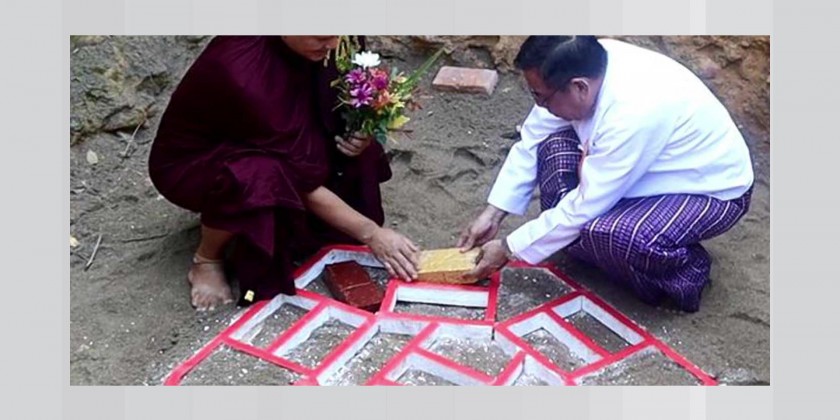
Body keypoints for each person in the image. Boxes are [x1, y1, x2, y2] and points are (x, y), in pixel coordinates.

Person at [459, 36, 754, 312]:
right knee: (551, 150)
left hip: (709, 192)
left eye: (542, 97)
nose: (539, 106)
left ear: (579, 88)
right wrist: (494, 213)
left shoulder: (635, 110)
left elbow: (587, 206)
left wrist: (509, 247)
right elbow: (533, 138)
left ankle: (685, 273)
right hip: (636, 173)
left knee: (614, 234)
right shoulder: (582, 62)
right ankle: (591, 249)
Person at [149, 36, 419, 311]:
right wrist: (371, 233)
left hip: (279, 135)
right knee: (259, 175)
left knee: (358, 152)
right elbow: (300, 178)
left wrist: (361, 129)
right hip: (196, 163)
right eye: (320, 36)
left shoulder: (335, 39)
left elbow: (346, 93)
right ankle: (207, 258)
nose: (333, 43)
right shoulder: (243, 70)